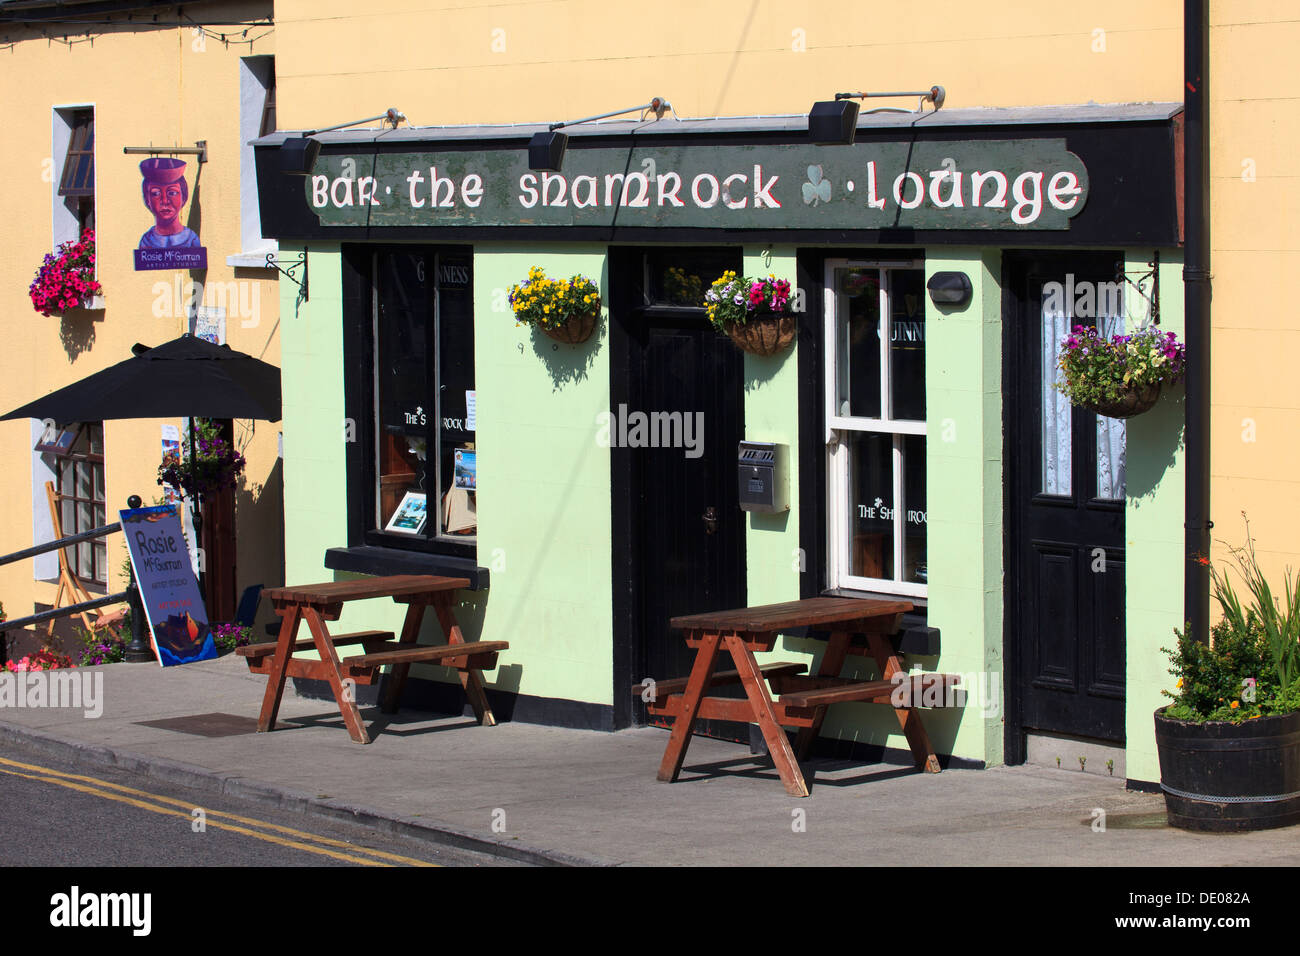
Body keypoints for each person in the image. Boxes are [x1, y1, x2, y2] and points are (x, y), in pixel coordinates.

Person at [137, 157, 200, 249]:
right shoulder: (147, 241)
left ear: (183, 197)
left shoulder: (191, 240)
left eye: (172, 193)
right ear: (147, 200)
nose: (165, 201)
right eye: (156, 193)